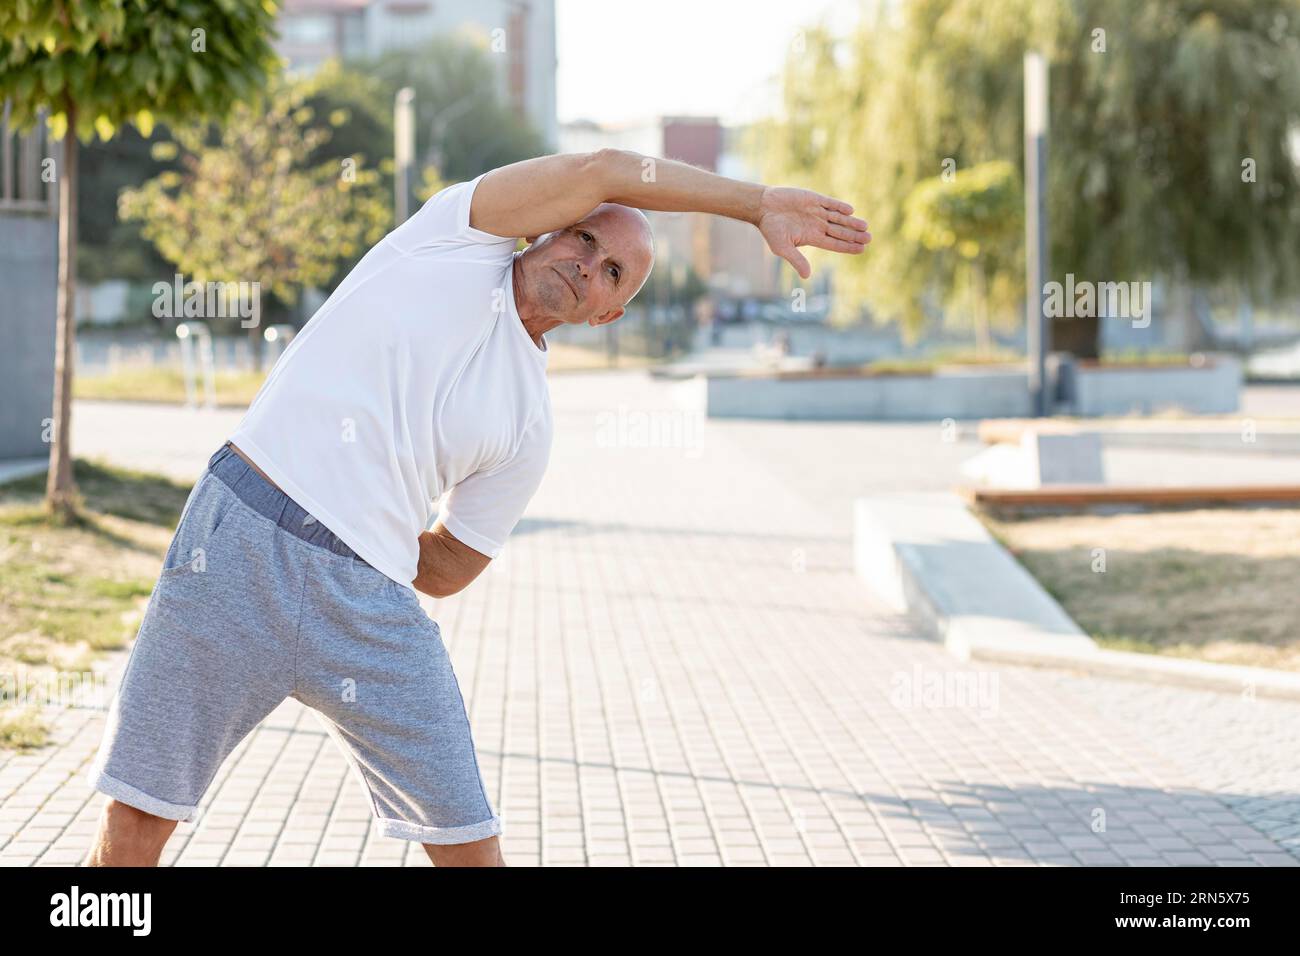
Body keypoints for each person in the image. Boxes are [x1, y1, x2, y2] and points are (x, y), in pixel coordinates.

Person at [83, 148, 870, 868]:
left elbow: (456, 561)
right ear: (547, 230)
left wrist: (373, 540)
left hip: (370, 607)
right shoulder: (454, 236)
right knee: (135, 831)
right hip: (236, 547)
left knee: (467, 844)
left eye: (612, 275)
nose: (587, 267)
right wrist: (755, 202)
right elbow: (603, 168)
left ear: (608, 314)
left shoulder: (530, 423)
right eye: (584, 242)